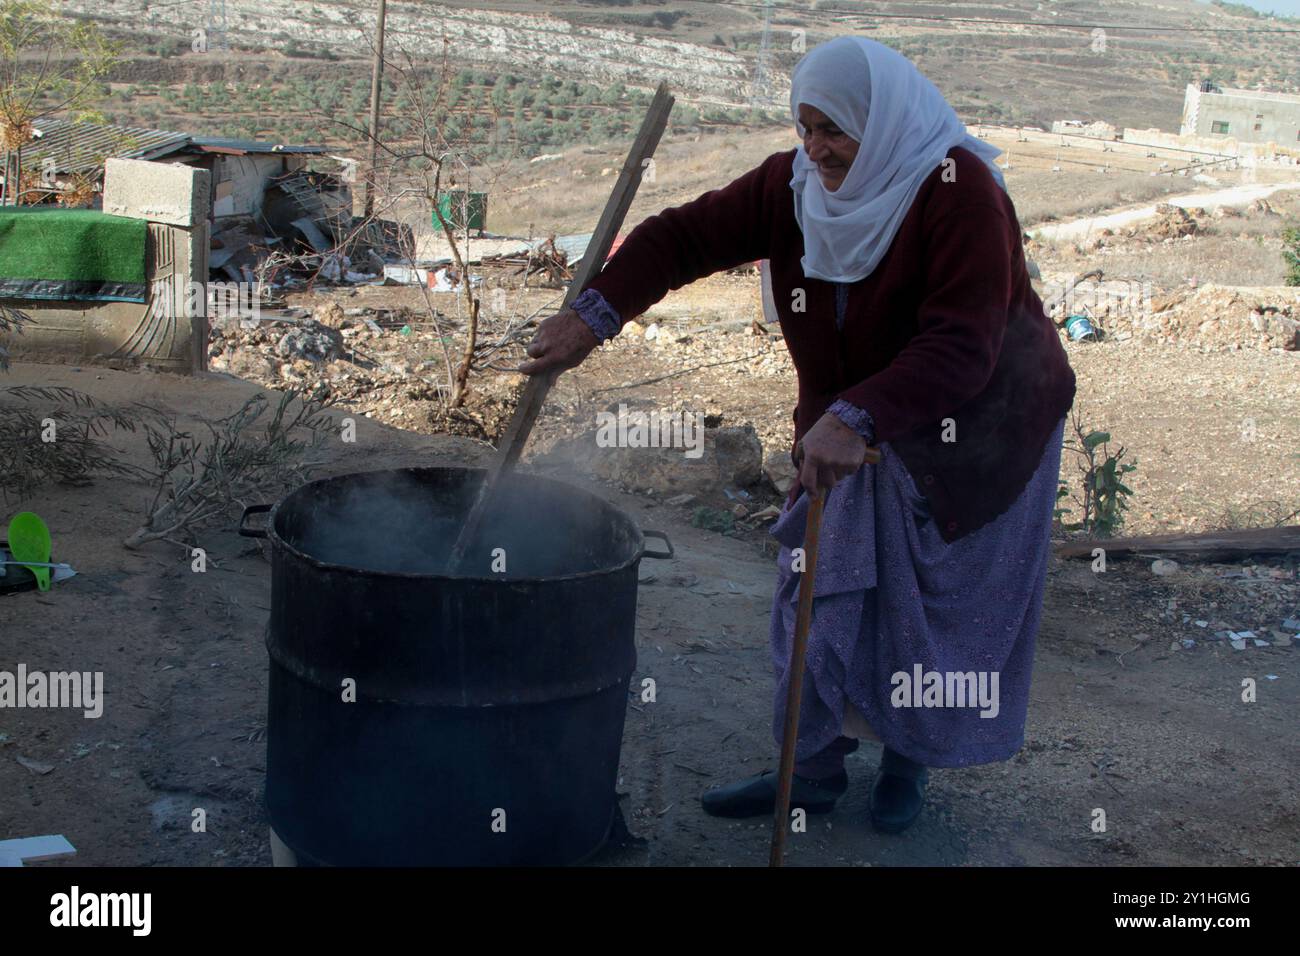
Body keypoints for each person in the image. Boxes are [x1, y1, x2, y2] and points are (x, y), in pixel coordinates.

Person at [518, 36, 1076, 834]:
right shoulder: (796, 184)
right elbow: (681, 238)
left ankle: (905, 764)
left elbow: (962, 345)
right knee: (815, 585)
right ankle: (809, 770)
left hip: (979, 432)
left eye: (835, 129)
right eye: (805, 125)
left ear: (880, 123)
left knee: (924, 610)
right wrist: (592, 316)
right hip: (853, 420)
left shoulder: (959, 190)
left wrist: (856, 416)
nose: (815, 147)